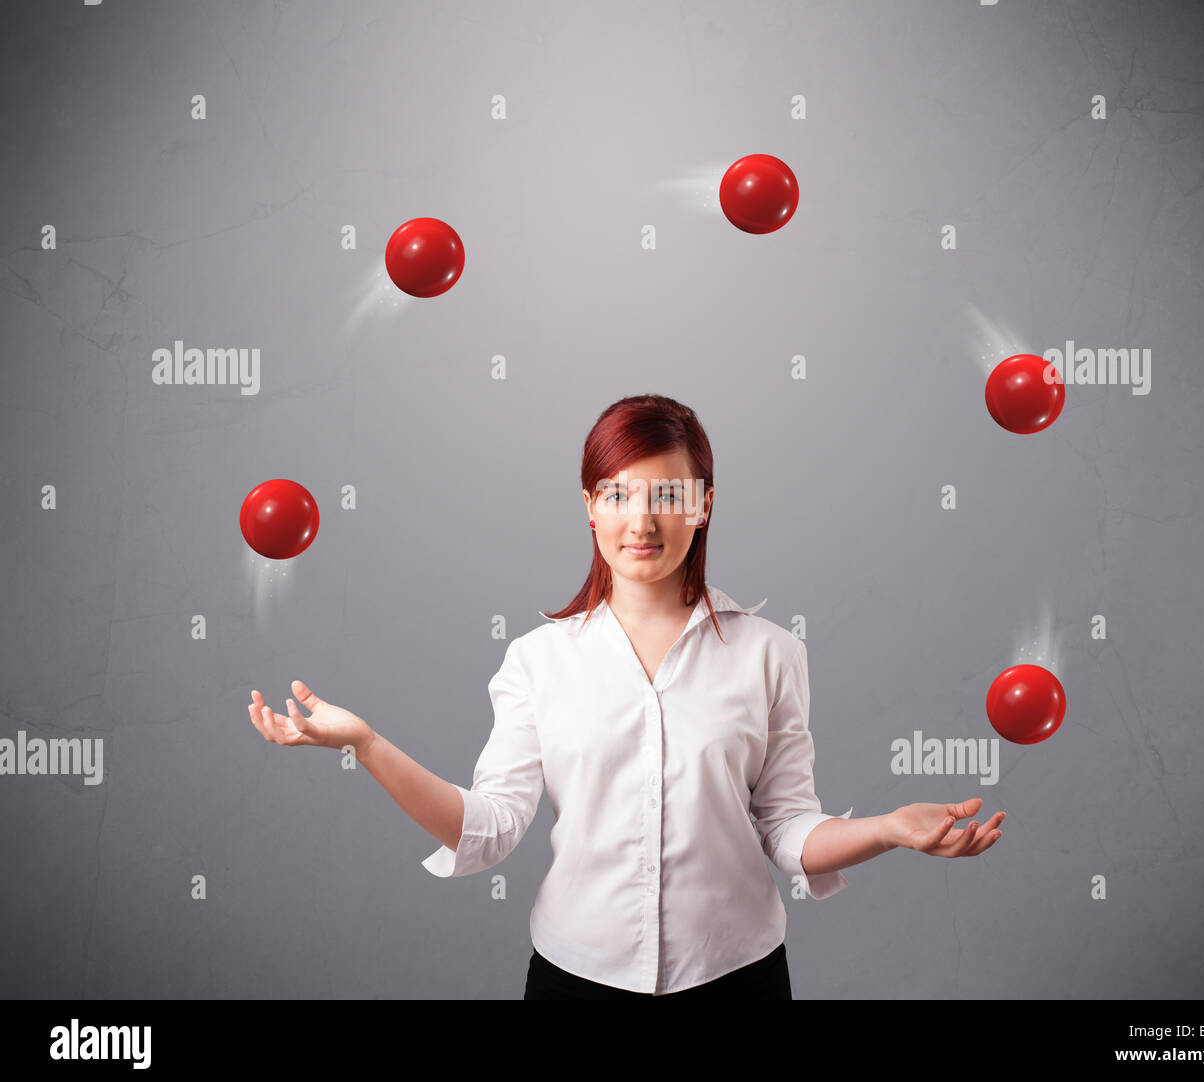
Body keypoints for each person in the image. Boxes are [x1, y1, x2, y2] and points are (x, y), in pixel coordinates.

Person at [248, 394, 1005, 999]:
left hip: (737, 979)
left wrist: (891, 828)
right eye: (617, 493)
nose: (641, 520)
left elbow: (788, 828)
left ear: (703, 504)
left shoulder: (773, 653)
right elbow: (487, 827)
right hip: (575, 983)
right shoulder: (536, 660)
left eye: (668, 493)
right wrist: (366, 744)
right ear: (589, 505)